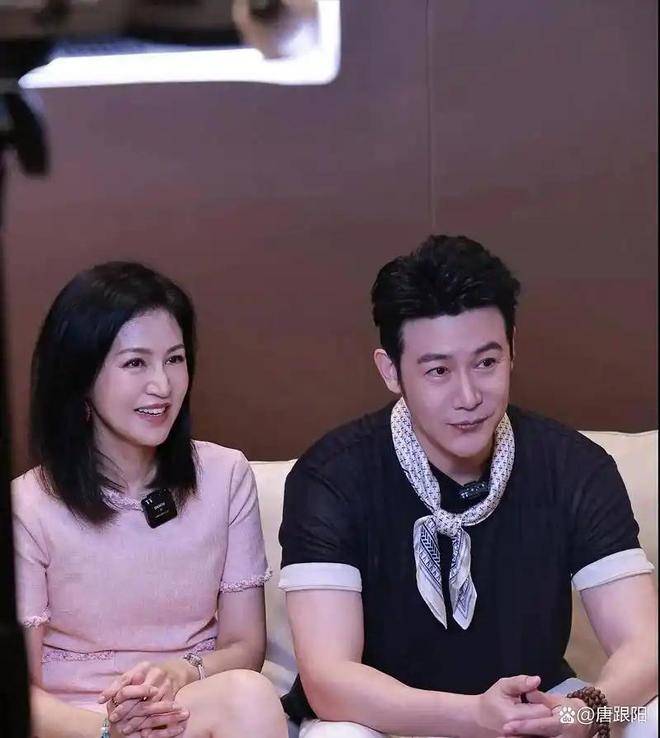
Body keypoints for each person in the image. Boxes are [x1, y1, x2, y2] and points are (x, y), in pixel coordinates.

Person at [278, 235, 658, 738]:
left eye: (486, 363)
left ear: (512, 349)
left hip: (537, 711)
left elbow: (645, 646)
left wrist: (583, 715)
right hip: (383, 720)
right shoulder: (331, 476)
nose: (469, 396)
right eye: (438, 370)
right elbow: (330, 681)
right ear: (390, 371)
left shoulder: (573, 465)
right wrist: (473, 716)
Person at [12, 262, 288, 738]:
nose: (162, 386)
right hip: (78, 724)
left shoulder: (225, 477)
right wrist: (110, 730)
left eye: (175, 359)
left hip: (188, 710)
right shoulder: (29, 506)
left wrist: (183, 671)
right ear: (81, 375)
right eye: (135, 363)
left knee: (249, 695)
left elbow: (245, 646)